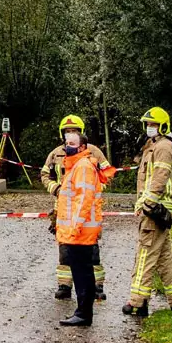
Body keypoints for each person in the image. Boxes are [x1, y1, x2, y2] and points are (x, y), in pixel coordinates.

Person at [48, 116, 116, 326]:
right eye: (67, 144)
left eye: (73, 144)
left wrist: (75, 227)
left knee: (83, 272)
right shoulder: (76, 165)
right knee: (80, 272)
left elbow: (84, 200)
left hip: (81, 232)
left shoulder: (83, 166)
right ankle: (82, 311)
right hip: (78, 231)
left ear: (83, 146)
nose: (68, 148)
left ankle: (84, 313)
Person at [122, 106, 172, 316]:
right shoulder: (155, 146)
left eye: (153, 124)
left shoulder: (163, 147)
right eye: (147, 124)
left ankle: (137, 301)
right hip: (157, 208)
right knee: (165, 257)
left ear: (163, 126)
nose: (149, 128)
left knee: (145, 255)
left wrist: (145, 202)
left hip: (154, 210)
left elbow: (159, 178)